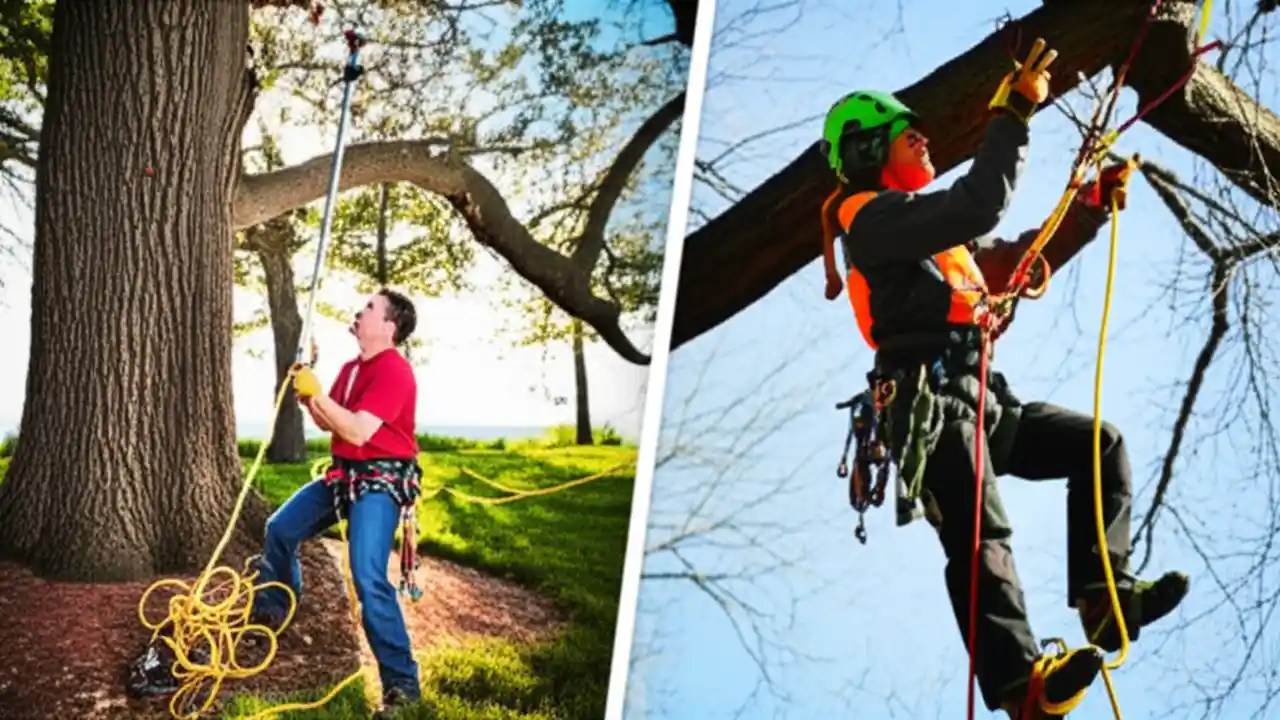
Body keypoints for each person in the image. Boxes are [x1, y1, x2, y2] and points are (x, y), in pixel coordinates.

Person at [817, 39, 1190, 720]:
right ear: (869, 151)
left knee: (1098, 445)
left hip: (984, 399)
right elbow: (979, 202)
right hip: (928, 403)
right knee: (979, 532)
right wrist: (1013, 113)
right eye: (909, 134)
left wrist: (1087, 209)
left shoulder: (931, 239)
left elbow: (1013, 259)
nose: (926, 140)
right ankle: (1023, 688)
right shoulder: (869, 220)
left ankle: (1106, 597)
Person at [250, 288, 423, 717]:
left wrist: (318, 395)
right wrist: (310, 394)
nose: (359, 310)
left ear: (389, 325)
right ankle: (274, 609)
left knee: (366, 574)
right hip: (344, 475)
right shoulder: (349, 369)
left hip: (380, 481)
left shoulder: (395, 372)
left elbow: (361, 431)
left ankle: (402, 685)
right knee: (279, 529)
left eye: (369, 307)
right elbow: (332, 422)